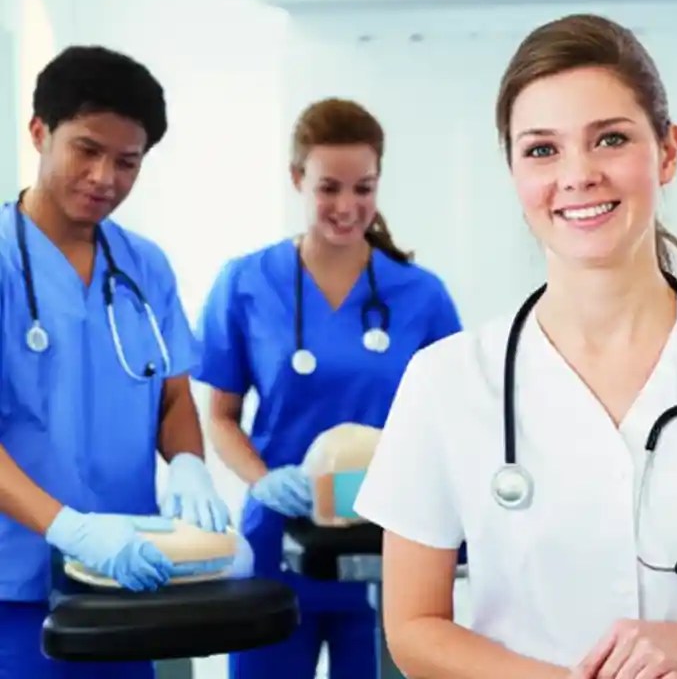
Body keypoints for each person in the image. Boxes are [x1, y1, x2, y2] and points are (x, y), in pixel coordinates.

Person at [353, 12, 677, 679]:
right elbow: (412, 628)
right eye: (542, 150)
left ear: (668, 151)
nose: (578, 175)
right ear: (513, 170)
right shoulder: (446, 381)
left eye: (609, 139)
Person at [193, 97, 463, 679]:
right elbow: (220, 415)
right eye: (328, 188)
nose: (347, 206)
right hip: (279, 542)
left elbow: (454, 424)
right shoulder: (245, 283)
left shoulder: (422, 295)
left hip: (387, 547)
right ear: (297, 179)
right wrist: (265, 481)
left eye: (363, 188)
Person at [0, 45, 230, 678]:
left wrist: (188, 465)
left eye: (127, 162)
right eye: (87, 150)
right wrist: (68, 528)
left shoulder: (144, 266)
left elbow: (173, 395)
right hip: (12, 589)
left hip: (125, 577)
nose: (104, 178)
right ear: (39, 132)